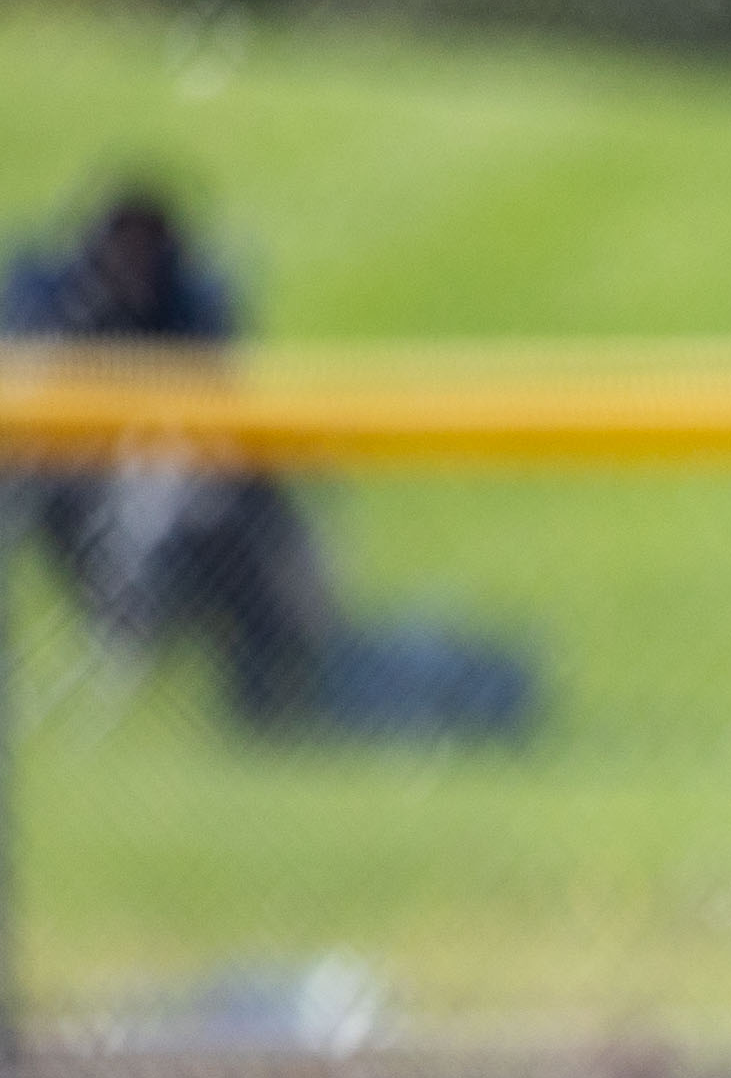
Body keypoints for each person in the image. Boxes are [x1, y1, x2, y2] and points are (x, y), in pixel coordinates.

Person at [1, 186, 534, 736]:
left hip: (191, 522)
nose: (133, 266)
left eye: (146, 249)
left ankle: (281, 689)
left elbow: (226, 414)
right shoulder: (50, 302)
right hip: (83, 505)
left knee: (234, 509)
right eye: (123, 247)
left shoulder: (190, 305)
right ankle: (141, 640)